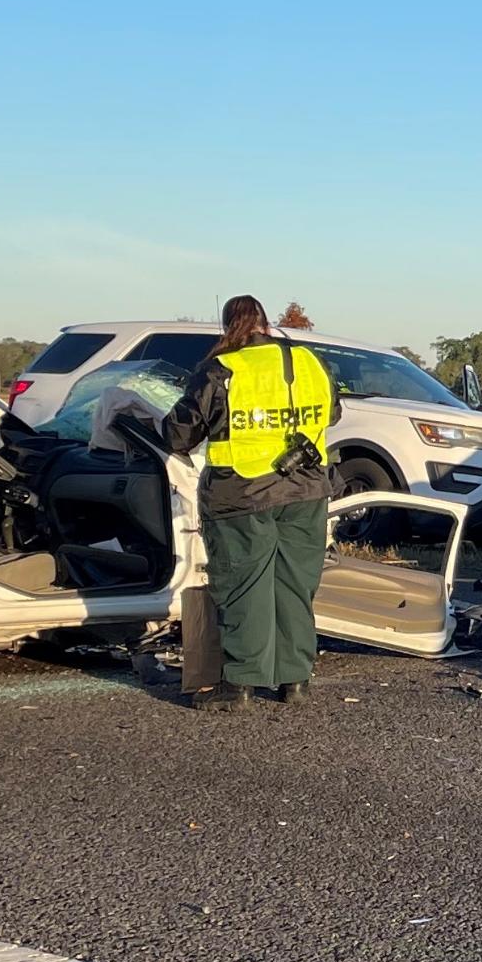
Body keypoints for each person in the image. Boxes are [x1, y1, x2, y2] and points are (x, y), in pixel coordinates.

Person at [162, 296, 339, 712]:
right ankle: (295, 680)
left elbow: (179, 435)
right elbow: (331, 414)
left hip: (240, 493)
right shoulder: (310, 362)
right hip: (308, 489)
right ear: (266, 324)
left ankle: (240, 684)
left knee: (245, 585)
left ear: (230, 327)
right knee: (295, 584)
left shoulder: (223, 368)